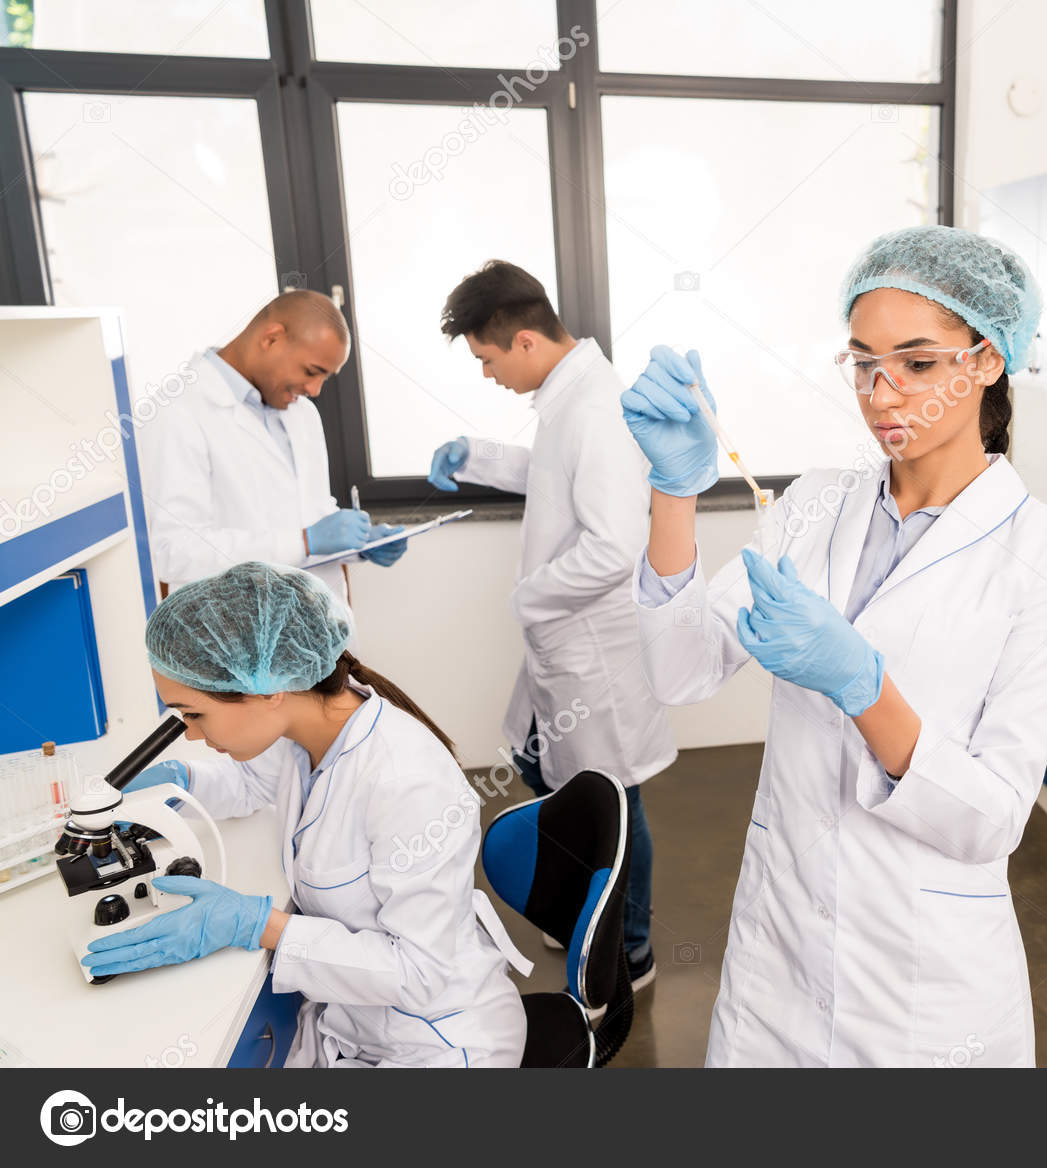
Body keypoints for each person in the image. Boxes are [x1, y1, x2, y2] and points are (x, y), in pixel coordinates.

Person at [622, 225, 1047, 1067]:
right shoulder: (814, 506)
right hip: (780, 954)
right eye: (864, 362)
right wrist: (672, 493)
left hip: (924, 984)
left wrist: (864, 688)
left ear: (987, 360)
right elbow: (681, 668)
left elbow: (991, 818)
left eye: (917, 363)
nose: (883, 394)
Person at [89, 561, 528, 1068]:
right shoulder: (309, 725)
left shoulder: (405, 779)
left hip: (437, 1042)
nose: (189, 733)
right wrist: (179, 785)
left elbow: (420, 973)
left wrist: (258, 926)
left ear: (268, 689)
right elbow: (252, 782)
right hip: (352, 1021)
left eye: (194, 714)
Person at [426, 261, 675, 989]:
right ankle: (581, 903)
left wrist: (527, 596)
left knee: (612, 800)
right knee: (542, 761)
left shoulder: (593, 408)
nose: (487, 373)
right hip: (562, 646)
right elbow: (556, 473)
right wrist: (478, 457)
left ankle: (629, 947)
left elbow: (612, 546)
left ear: (526, 340)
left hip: (590, 645)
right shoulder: (571, 401)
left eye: (487, 358)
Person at [145, 290, 406, 605]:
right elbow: (174, 551)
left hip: (321, 626)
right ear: (271, 339)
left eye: (326, 377)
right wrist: (305, 541)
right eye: (311, 372)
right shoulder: (178, 411)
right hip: (239, 635)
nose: (314, 389)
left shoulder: (302, 412)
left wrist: (357, 543)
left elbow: (310, 512)